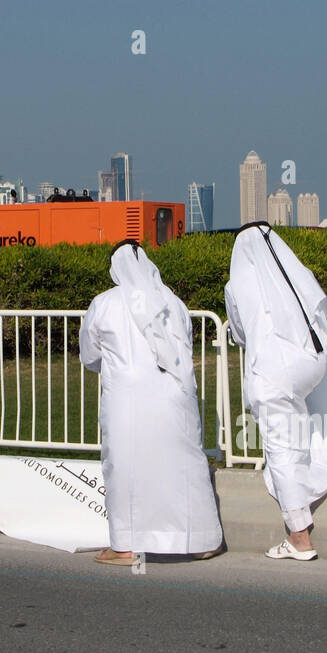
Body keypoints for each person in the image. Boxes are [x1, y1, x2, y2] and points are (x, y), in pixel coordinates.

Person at [79, 240, 223, 565]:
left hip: (126, 399)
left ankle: (126, 546)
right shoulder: (173, 302)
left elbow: (89, 354)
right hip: (174, 396)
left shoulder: (104, 303)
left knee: (125, 468)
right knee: (185, 465)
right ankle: (202, 541)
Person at [224, 222, 327, 560]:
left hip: (270, 374)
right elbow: (318, 305)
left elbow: (241, 334)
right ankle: (307, 488)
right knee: (295, 434)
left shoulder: (238, 284)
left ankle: (300, 537)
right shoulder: (290, 270)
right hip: (310, 365)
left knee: (280, 451)